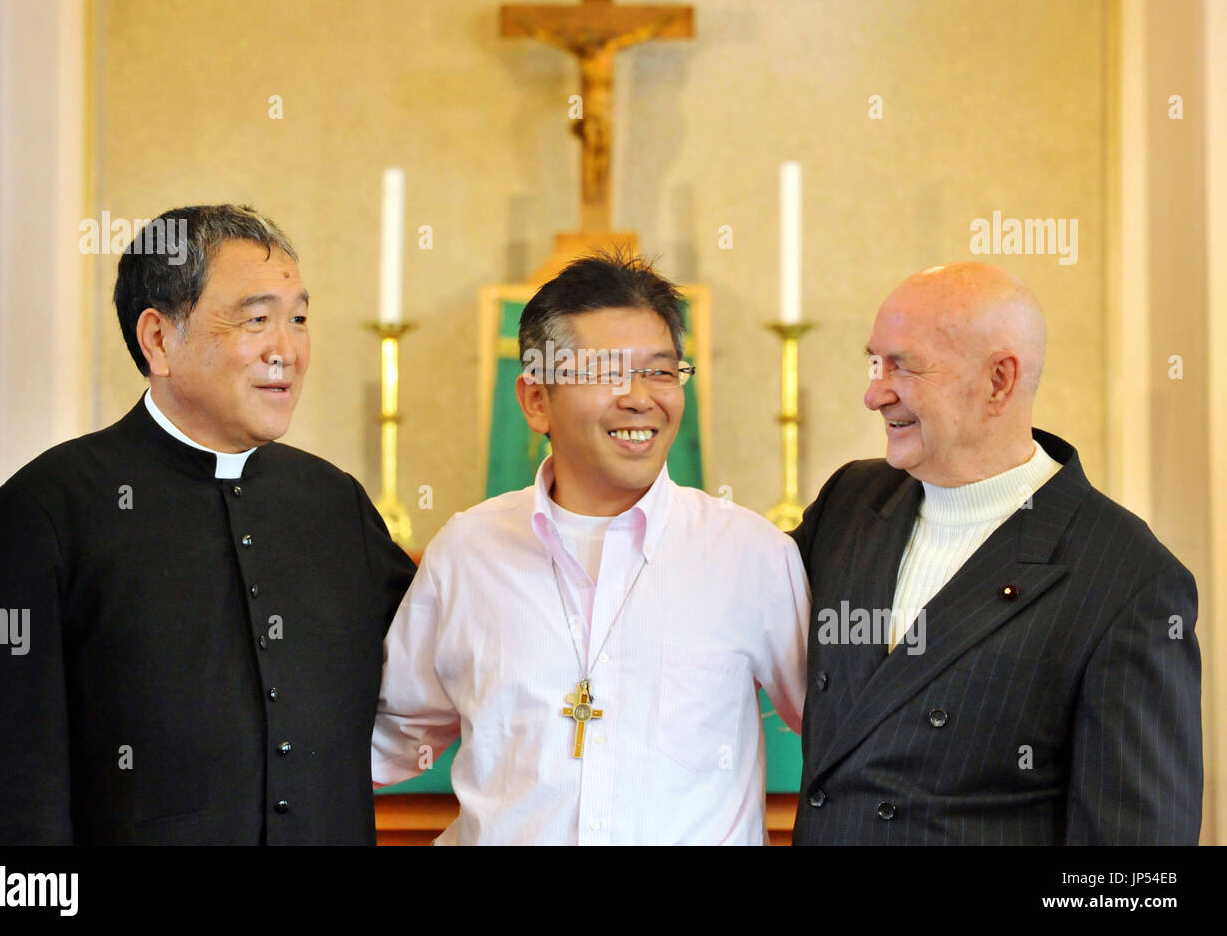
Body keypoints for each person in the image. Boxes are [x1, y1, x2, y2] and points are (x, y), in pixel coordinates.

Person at [0, 204, 414, 844]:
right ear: (159, 339)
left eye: (299, 320)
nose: (288, 350)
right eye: (257, 320)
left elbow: (441, 669)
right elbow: (9, 793)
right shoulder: (46, 510)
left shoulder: (336, 505)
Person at [372, 251, 809, 844]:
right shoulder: (467, 552)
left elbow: (839, 731)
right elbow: (394, 738)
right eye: (605, 372)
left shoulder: (749, 554)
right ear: (535, 400)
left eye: (660, 371)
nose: (638, 398)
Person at [792, 262, 1202, 845]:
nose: (873, 392)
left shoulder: (1128, 579)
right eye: (875, 362)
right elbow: (736, 611)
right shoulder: (850, 502)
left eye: (902, 366)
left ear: (998, 381)